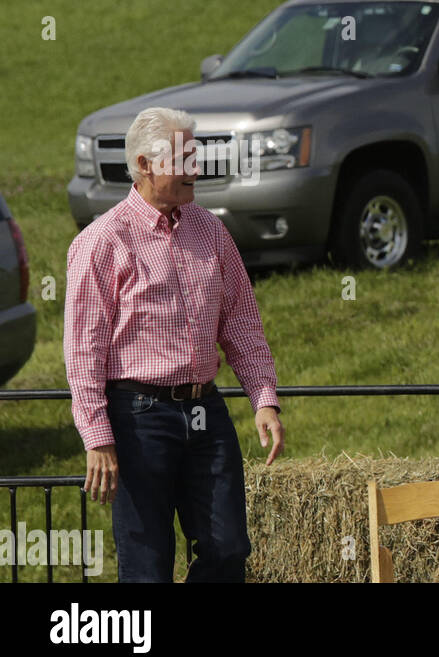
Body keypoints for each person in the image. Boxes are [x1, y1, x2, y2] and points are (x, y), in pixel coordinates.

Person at [65, 107, 285, 583]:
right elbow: (83, 352)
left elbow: (242, 323)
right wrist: (98, 436)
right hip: (138, 419)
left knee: (228, 551)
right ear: (144, 164)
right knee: (147, 569)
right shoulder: (101, 242)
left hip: (207, 411)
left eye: (196, 154)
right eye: (184, 157)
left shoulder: (212, 231)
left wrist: (264, 399)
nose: (196, 168)